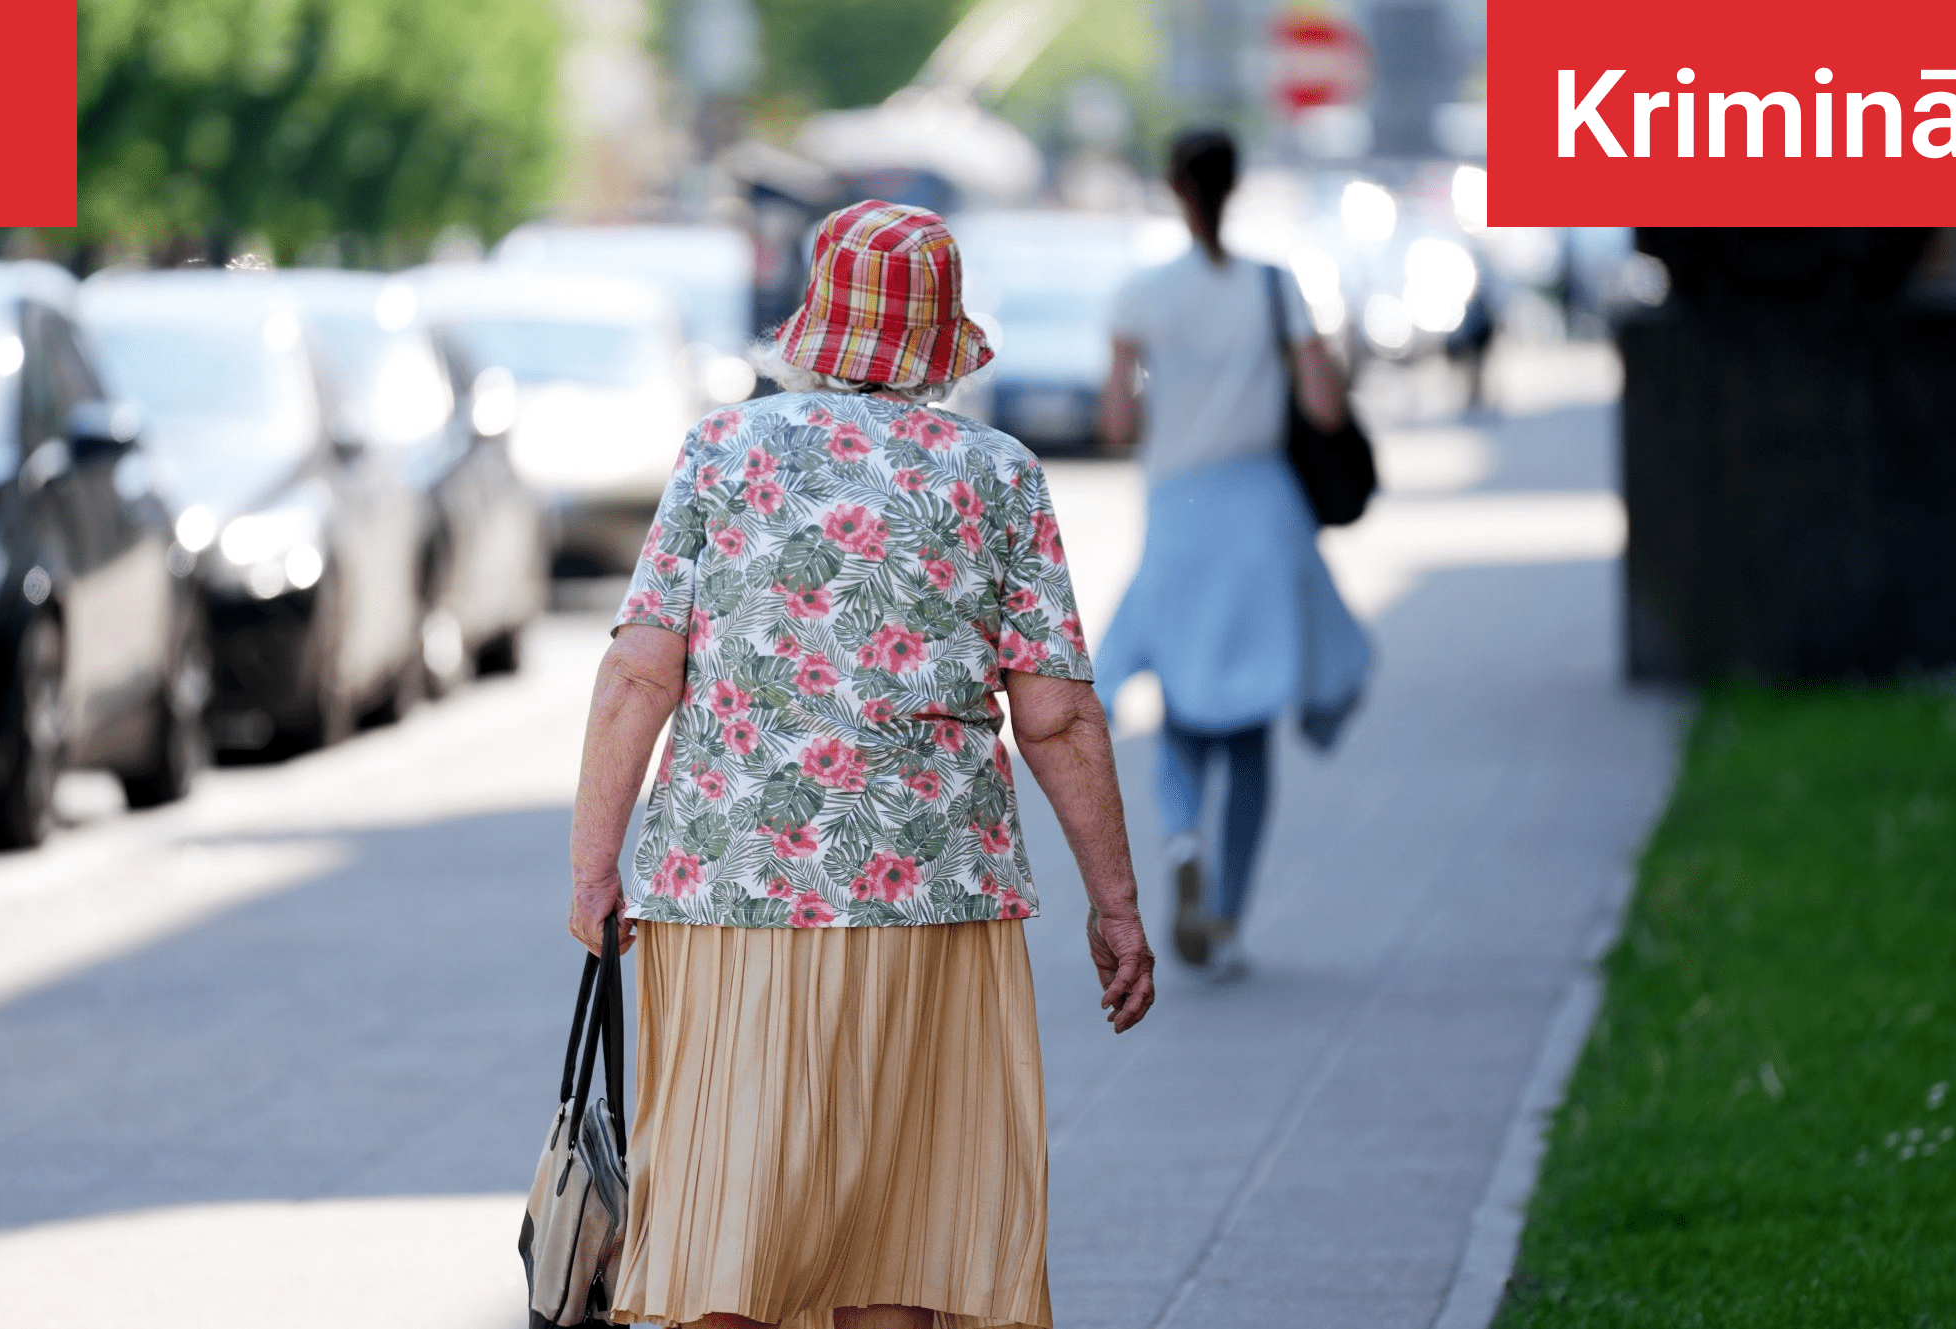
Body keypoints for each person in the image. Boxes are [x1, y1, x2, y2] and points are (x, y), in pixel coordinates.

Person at [568, 198, 1158, 1329]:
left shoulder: (722, 450)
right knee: (903, 1236)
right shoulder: (996, 475)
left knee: (725, 1225)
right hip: (931, 897)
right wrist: (1114, 907)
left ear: (820, 317)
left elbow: (639, 672)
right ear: (941, 337)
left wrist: (595, 869)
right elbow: (1058, 719)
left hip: (727, 891)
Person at [1094, 127, 1373, 981]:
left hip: (1181, 515)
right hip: (1262, 515)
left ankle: (1182, 838)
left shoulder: (1142, 295)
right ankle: (1227, 917)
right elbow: (1325, 408)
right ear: (1235, 186)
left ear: (1176, 190)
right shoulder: (1275, 287)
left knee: (1182, 705)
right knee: (1250, 731)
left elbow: (1115, 425)